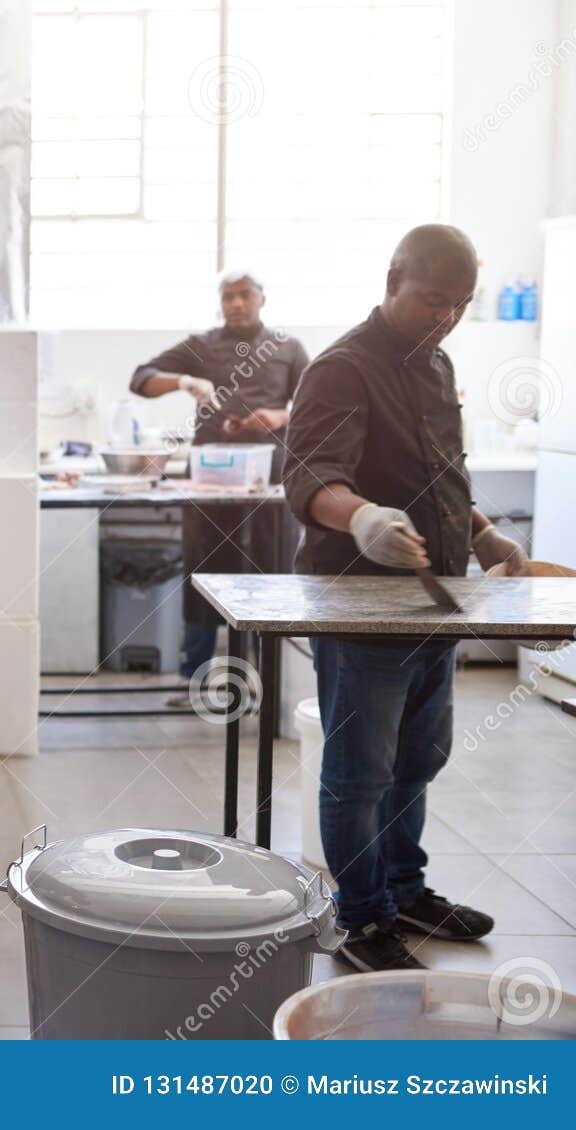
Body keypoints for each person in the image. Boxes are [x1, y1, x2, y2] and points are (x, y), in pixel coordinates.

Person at [284, 223, 524, 972]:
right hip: (360, 607)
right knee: (360, 770)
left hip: (435, 601)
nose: (444, 317)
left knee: (419, 757)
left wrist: (483, 533)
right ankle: (361, 920)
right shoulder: (341, 369)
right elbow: (307, 477)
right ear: (393, 280)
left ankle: (402, 887)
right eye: (432, 301)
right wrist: (359, 516)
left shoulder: (436, 364)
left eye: (459, 305)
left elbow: (439, 472)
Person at [130, 271, 309, 692]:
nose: (236, 303)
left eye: (244, 295)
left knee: (271, 570)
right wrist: (183, 381)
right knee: (204, 570)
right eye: (228, 296)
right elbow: (140, 378)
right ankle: (194, 677)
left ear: (262, 298)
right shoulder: (200, 346)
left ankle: (269, 682)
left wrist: (282, 416)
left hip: (269, 480)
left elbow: (319, 403)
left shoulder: (288, 347)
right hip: (210, 478)